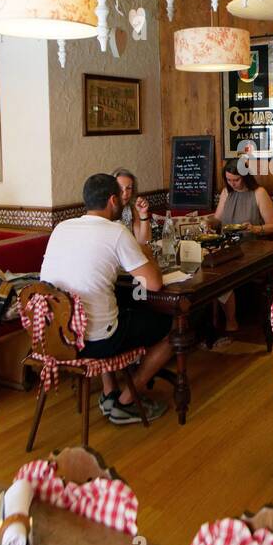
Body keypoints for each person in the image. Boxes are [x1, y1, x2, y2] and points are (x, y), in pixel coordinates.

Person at [40, 173, 172, 425]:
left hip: (54, 338)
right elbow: (154, 283)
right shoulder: (116, 231)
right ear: (113, 199)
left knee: (112, 308)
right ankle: (126, 400)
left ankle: (110, 393)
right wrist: (146, 253)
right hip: (95, 343)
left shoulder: (61, 227)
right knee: (172, 327)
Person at [208, 158, 273, 334]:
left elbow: (272, 226)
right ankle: (213, 323)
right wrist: (207, 222)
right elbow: (217, 219)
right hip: (228, 247)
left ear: (245, 176)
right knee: (212, 273)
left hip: (252, 249)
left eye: (236, 180)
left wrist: (255, 228)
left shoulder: (259, 193)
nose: (233, 183)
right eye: (229, 180)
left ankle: (230, 322)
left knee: (222, 275)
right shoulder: (226, 192)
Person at [113, 168, 152, 246]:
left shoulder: (131, 208)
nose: (125, 193)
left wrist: (143, 214)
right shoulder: (105, 209)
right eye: (120, 188)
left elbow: (144, 243)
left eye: (128, 188)